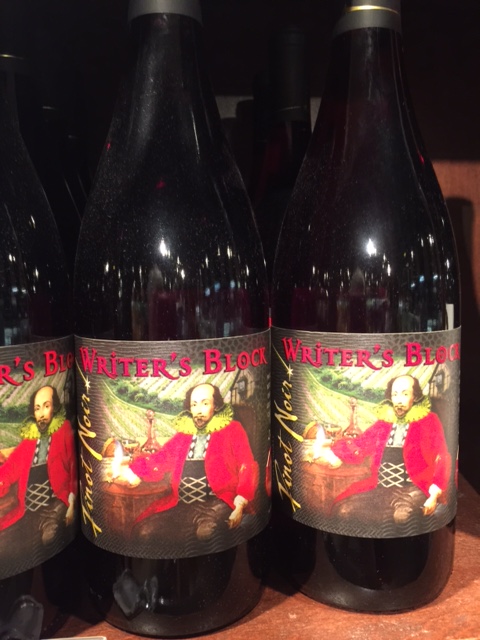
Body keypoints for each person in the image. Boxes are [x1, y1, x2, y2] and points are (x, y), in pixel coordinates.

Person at [123, 383, 259, 543]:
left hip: (218, 503)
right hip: (182, 505)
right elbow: (161, 458)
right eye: (194, 405)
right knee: (143, 532)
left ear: (216, 406)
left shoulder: (232, 429)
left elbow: (247, 465)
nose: (199, 410)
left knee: (205, 534)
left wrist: (240, 505)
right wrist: (133, 471)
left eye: (205, 403)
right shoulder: (184, 434)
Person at [314, 374, 452, 526]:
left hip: (413, 489)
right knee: (344, 510)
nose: (399, 400)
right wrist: (332, 448)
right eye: (395, 395)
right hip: (381, 489)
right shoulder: (384, 423)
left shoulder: (428, 420)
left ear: (415, 397)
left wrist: (434, 495)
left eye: (405, 394)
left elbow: (442, 456)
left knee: (402, 518)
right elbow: (361, 444)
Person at [0, 384, 77, 543]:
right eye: (37, 408)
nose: (41, 413)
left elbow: (72, 467)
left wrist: (71, 504)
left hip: (55, 504)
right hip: (28, 509)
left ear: (54, 407)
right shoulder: (30, 437)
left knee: (49, 538)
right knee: (7, 538)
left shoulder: (63, 429)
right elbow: (11, 467)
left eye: (46, 406)